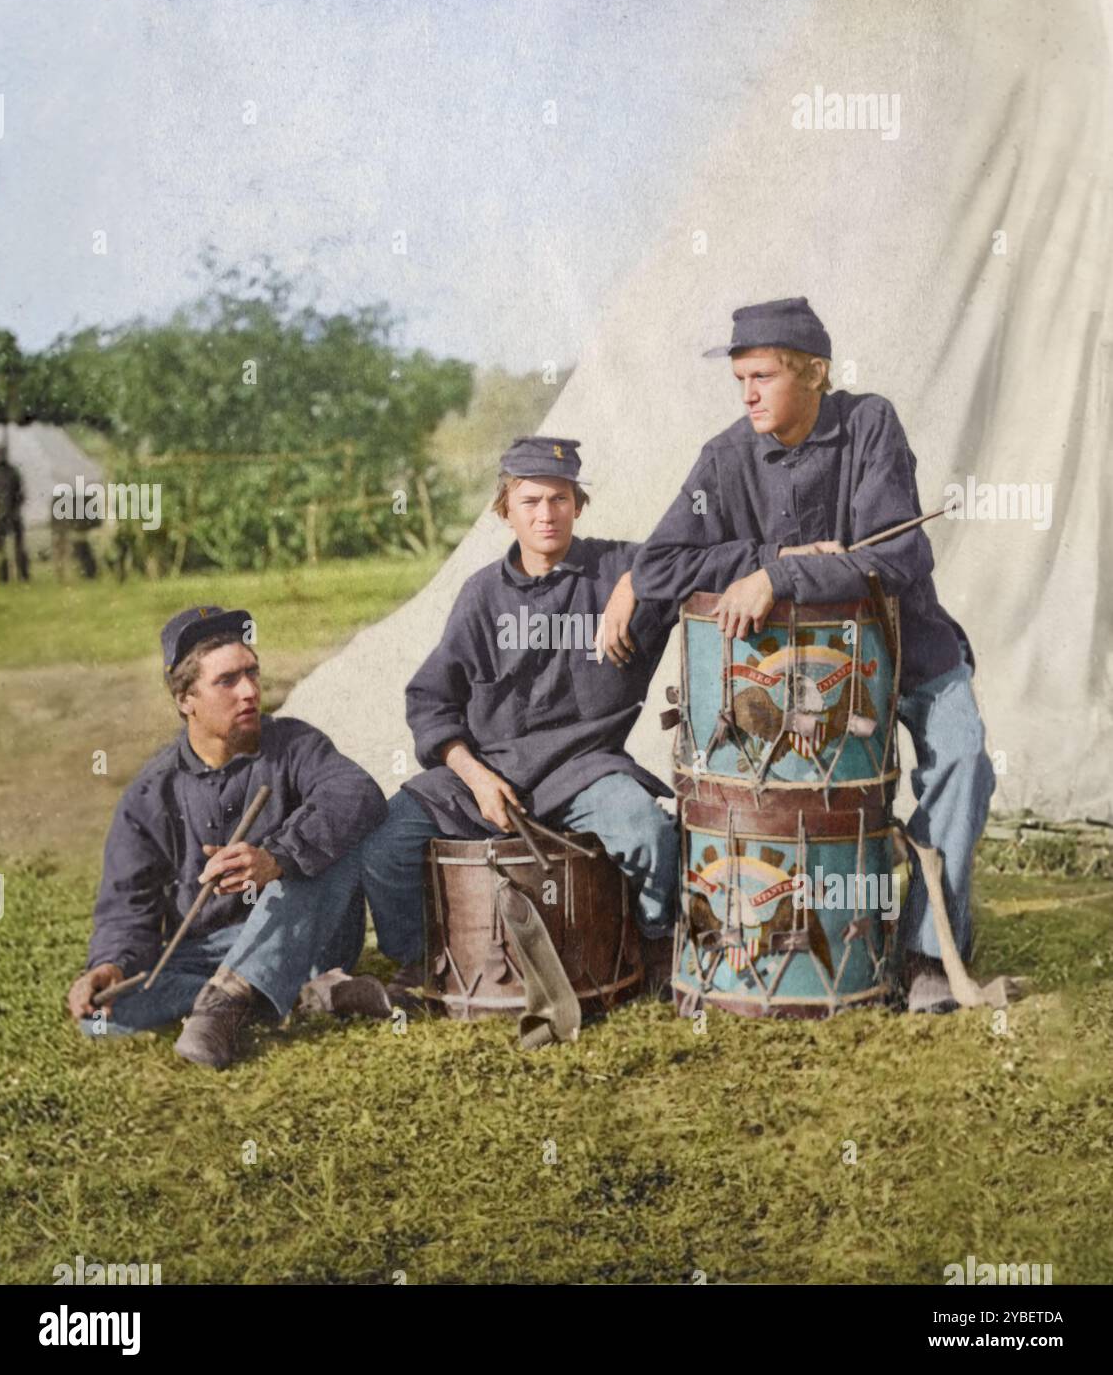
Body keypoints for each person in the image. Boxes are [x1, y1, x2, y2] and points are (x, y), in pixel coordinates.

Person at [618, 296, 995, 1014]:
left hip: (910, 650)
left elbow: (899, 552)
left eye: (763, 376)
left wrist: (783, 579)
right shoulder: (725, 457)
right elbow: (660, 563)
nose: (750, 395)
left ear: (816, 373)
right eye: (741, 381)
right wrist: (770, 557)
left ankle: (927, 954)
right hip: (801, 687)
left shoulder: (869, 423)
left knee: (967, 760)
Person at [356, 436, 682, 992]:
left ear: (578, 505)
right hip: (490, 772)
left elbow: (695, 548)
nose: (546, 514)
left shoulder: (615, 567)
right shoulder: (482, 594)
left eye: (559, 499)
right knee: (385, 845)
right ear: (504, 509)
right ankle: (424, 957)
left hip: (585, 771)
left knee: (647, 832)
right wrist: (476, 776)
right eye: (530, 501)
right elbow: (432, 699)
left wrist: (634, 582)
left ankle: (654, 950)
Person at [67, 605, 390, 1068]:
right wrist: (110, 964)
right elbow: (126, 907)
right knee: (103, 1013)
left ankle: (228, 1003)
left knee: (330, 851)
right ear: (185, 699)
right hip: (209, 952)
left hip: (308, 938)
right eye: (228, 681)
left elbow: (358, 794)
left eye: (252, 674)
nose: (250, 692)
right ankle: (294, 997)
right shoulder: (148, 794)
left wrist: (277, 857)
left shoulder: (295, 745)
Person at [0, 440, 29, 582]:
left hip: (12, 514)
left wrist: (15, 509)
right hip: (1, 515)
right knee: (1, 548)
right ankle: (3, 576)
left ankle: (23, 575)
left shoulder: (12, 472)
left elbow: (21, 494)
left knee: (19, 546)